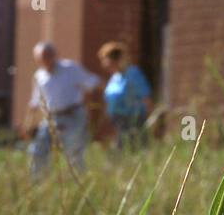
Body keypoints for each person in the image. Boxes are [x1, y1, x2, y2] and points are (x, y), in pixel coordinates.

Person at [25, 41, 100, 178]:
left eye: (48, 55)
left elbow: (92, 83)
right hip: (51, 118)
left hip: (73, 116)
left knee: (74, 151)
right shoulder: (39, 76)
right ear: (37, 59)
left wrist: (90, 102)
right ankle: (37, 181)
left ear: (54, 55)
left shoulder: (71, 68)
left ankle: (80, 181)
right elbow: (35, 100)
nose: (45, 59)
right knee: (37, 150)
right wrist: (28, 123)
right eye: (41, 56)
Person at [97, 41, 152, 147]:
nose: (104, 64)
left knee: (132, 150)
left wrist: (151, 120)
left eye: (106, 60)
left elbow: (146, 97)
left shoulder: (133, 74)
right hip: (118, 123)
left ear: (117, 59)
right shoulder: (115, 77)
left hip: (133, 121)